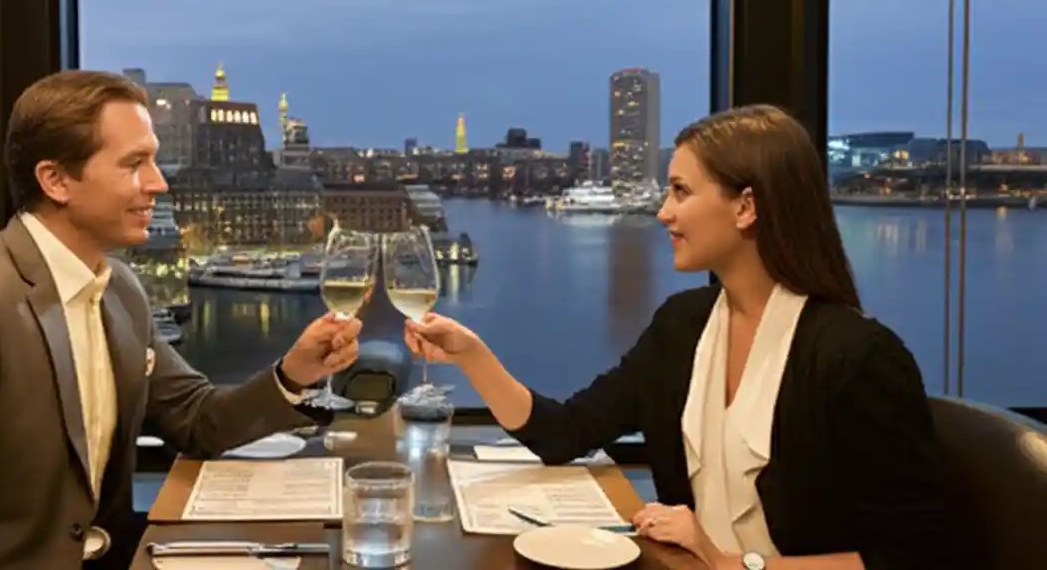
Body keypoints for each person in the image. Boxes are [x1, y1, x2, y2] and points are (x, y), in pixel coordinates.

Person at [0, 70, 360, 570]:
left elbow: (196, 420)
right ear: (56, 180)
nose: (158, 183)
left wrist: (292, 375)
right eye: (133, 164)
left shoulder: (119, 287)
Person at [406, 105, 959, 570]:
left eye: (680, 191)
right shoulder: (682, 326)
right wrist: (471, 355)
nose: (663, 211)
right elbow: (566, 432)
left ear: (745, 207)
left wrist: (729, 563)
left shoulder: (858, 358)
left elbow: (914, 556)